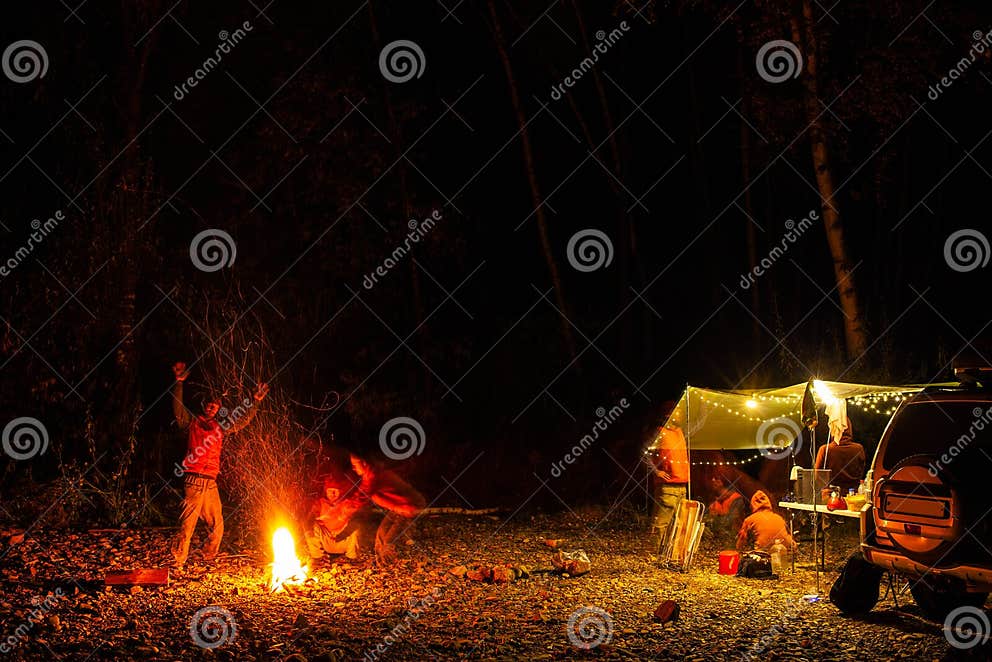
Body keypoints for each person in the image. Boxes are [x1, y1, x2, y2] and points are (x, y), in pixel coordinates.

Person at [169, 361, 268, 569]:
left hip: (211, 482)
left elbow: (242, 421)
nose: (211, 407)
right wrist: (179, 383)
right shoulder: (192, 422)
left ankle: (208, 556)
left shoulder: (221, 426)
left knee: (217, 524)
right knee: (187, 524)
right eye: (209, 404)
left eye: (215, 405)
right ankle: (177, 561)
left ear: (219, 408)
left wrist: (255, 401)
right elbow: (178, 410)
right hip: (194, 480)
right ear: (204, 405)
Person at [350, 454, 426, 564]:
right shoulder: (369, 476)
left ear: (364, 463)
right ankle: (381, 562)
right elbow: (364, 496)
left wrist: (341, 512)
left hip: (409, 508)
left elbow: (361, 497)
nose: (353, 468)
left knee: (389, 540)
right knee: (381, 534)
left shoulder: (374, 476)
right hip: (398, 509)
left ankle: (392, 563)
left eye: (355, 465)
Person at [305, 474, 364, 562]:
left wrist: (342, 534)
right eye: (330, 491)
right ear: (326, 492)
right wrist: (311, 525)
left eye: (335, 491)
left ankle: (352, 558)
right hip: (327, 540)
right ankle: (318, 557)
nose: (332, 494)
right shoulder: (320, 504)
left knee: (356, 528)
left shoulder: (346, 503)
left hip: (343, 541)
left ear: (341, 491)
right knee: (312, 527)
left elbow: (357, 517)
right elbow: (309, 520)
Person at [651, 422, 689, 533]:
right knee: (661, 525)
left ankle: (672, 546)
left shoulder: (680, 432)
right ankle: (657, 545)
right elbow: (644, 452)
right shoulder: (660, 432)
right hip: (668, 486)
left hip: (682, 485)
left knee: (679, 526)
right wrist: (656, 471)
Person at [814, 421, 865, 495]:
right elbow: (861, 472)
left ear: (833, 429)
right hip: (853, 495)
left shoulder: (825, 449)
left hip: (831, 496)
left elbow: (817, 476)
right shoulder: (859, 449)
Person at [706, 474, 747, 543]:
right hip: (716, 539)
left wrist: (716, 519)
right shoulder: (714, 500)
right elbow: (709, 522)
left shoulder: (736, 498)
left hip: (733, 539)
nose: (713, 480)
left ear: (724, 481)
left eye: (717, 478)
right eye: (712, 478)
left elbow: (730, 521)